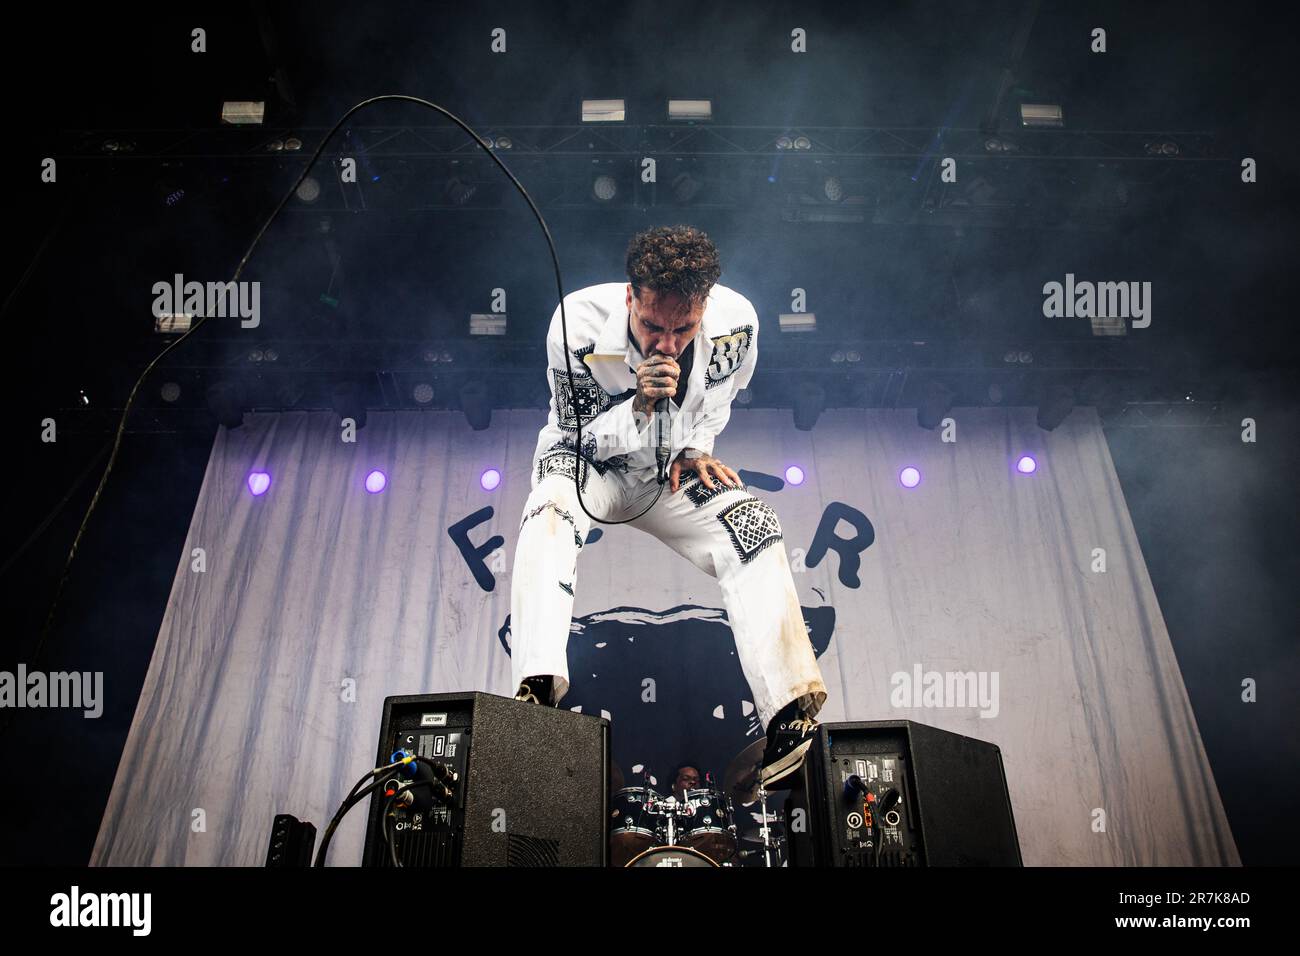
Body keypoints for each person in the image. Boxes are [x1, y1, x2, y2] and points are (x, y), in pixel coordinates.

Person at [509, 225, 826, 788]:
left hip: (668, 473)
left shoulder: (738, 326)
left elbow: (720, 400)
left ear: (705, 307)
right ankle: (538, 693)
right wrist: (638, 404)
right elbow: (580, 436)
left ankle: (790, 712)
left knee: (754, 523)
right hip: (593, 467)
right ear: (630, 296)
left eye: (684, 328)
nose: (667, 342)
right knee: (550, 505)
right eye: (652, 324)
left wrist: (696, 445)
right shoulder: (575, 326)